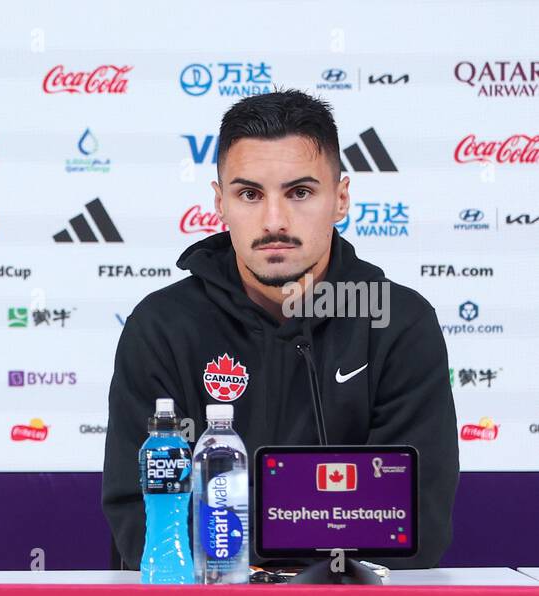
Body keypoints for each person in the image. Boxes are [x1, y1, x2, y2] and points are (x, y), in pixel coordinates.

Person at [102, 90, 458, 569]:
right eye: (249, 194)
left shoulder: (397, 321)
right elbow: (146, 521)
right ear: (220, 203)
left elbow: (412, 525)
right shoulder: (162, 326)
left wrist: (243, 528)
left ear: (341, 199)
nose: (274, 221)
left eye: (300, 192)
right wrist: (320, 520)